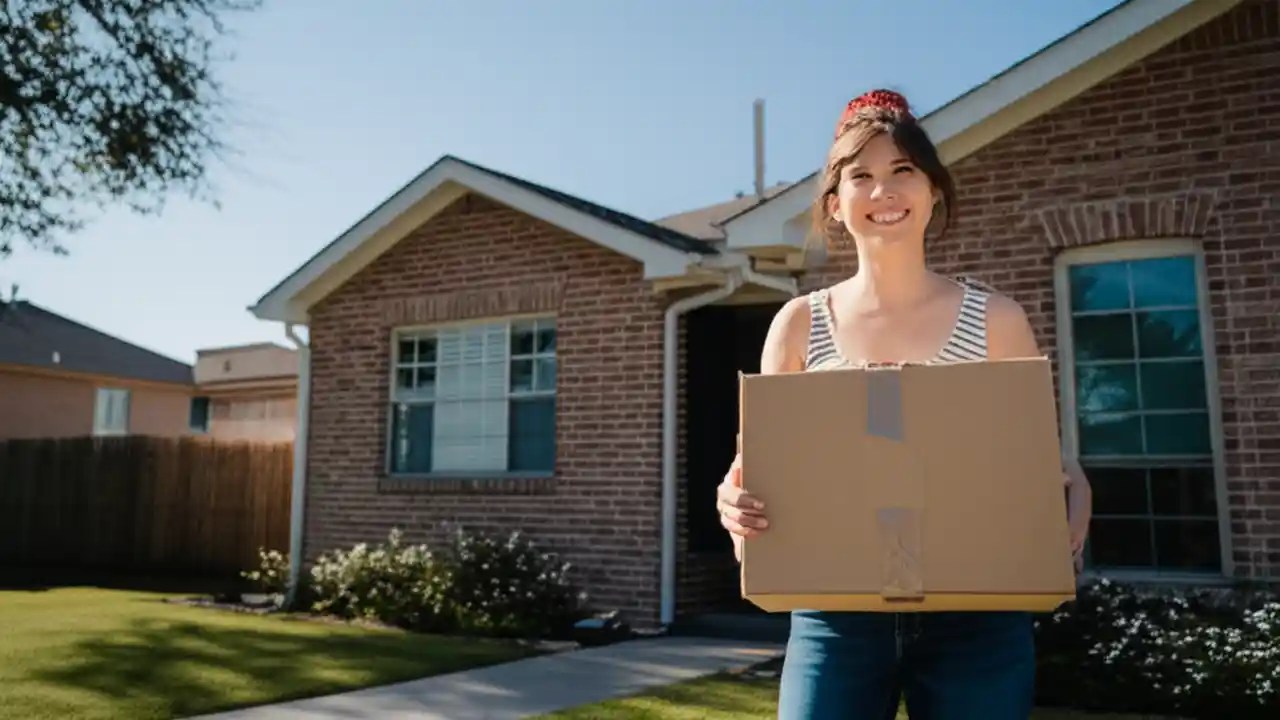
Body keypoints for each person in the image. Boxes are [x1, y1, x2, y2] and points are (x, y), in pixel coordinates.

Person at [714, 89, 1093, 719]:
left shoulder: (997, 320)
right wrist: (734, 504)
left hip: (978, 615)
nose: (883, 192)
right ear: (835, 206)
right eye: (860, 176)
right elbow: (754, 470)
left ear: (934, 190)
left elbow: (1043, 462)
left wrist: (1072, 494)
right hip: (836, 617)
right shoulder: (798, 325)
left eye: (903, 171)